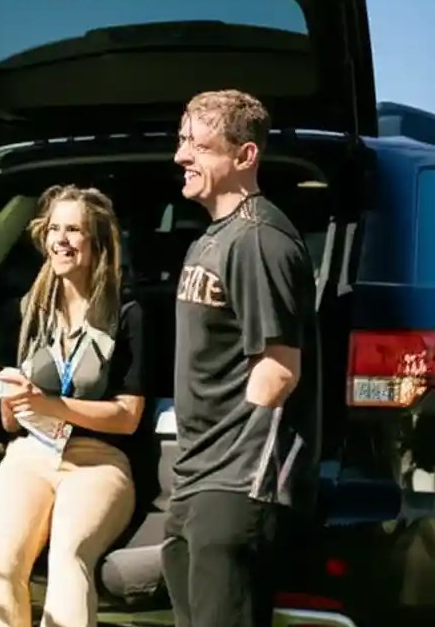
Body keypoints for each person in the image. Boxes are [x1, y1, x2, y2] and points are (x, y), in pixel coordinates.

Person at [162, 89, 320, 627]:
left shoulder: (259, 239)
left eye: (199, 146)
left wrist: (231, 462)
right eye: (182, 141)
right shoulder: (211, 238)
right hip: (195, 476)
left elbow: (278, 369)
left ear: (245, 156)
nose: (181, 156)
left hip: (236, 481)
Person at [0, 184, 149, 627]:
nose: (61, 240)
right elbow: (12, 424)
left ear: (97, 242)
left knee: (68, 560)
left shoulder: (127, 314)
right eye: (54, 229)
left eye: (74, 230)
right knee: (0, 566)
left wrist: (49, 403)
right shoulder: (27, 312)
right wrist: (13, 400)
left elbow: (128, 417)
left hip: (98, 461)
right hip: (30, 455)